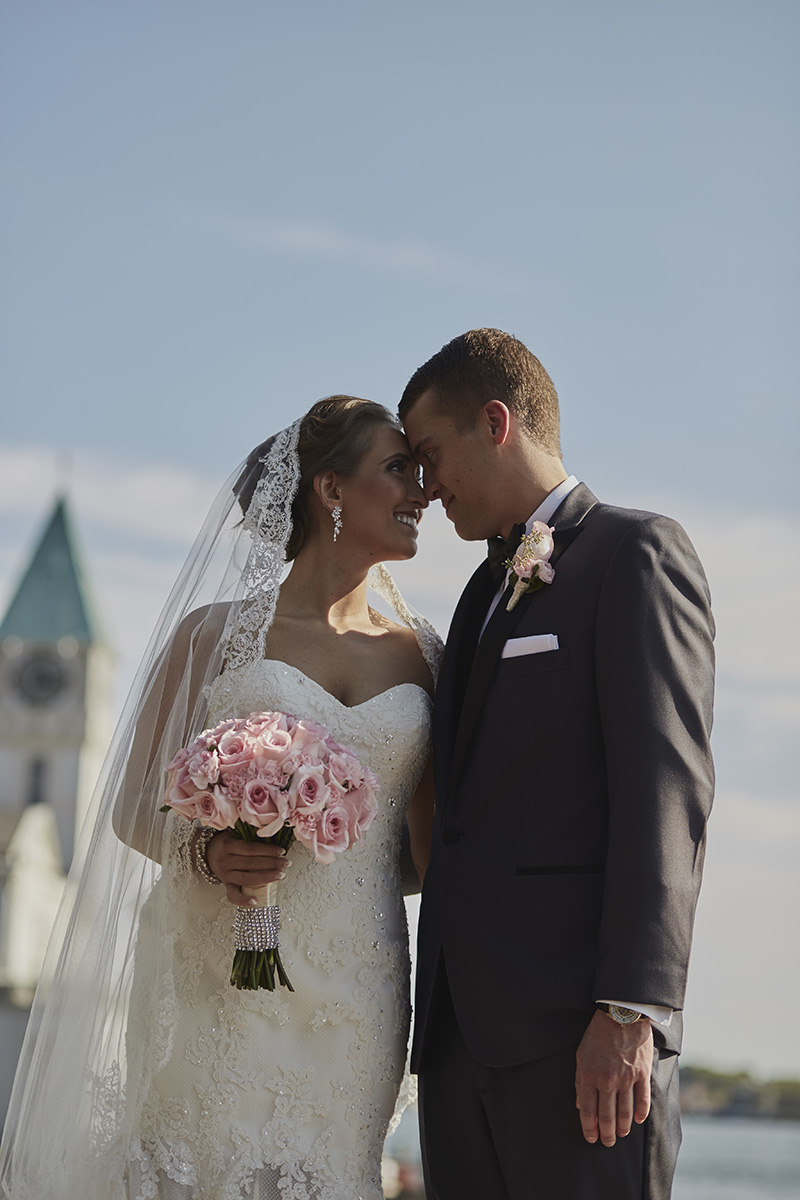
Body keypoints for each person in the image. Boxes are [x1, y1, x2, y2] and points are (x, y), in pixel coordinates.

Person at [0, 396, 441, 1200]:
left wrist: (343, 854)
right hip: (221, 976)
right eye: (399, 469)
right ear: (330, 489)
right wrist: (207, 848)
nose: (423, 491)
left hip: (358, 989)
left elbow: (431, 852)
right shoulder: (212, 634)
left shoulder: (425, 660)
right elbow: (131, 806)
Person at [399, 329, 715, 1200]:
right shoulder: (475, 596)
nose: (425, 490)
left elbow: (667, 793)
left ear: (495, 422)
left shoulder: (636, 554)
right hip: (460, 1043)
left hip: (582, 1040)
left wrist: (629, 1010)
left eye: (431, 455)